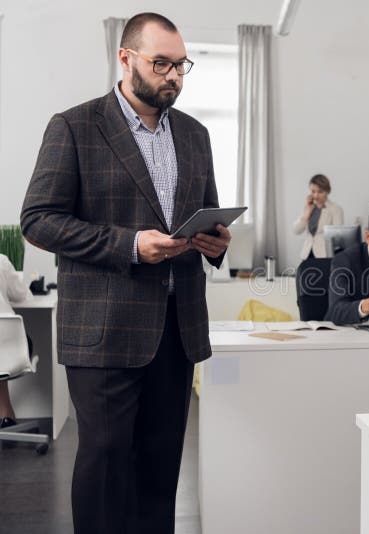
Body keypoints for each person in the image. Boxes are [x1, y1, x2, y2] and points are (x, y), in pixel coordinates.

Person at [20, 13, 230, 533]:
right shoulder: (73, 126)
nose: (173, 76)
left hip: (176, 330)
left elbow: (207, 212)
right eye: (161, 63)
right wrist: (131, 245)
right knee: (106, 463)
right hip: (103, 331)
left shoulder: (196, 135)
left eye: (182, 65)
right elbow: (38, 221)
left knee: (161, 470)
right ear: (126, 58)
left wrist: (216, 241)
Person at [0, 253, 33, 429]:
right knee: (2, 355)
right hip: (8, 352)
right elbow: (22, 295)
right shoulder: (1, 261)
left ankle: (6, 416)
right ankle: (6, 416)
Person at [292, 174, 344, 260]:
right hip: (307, 253)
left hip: (324, 254)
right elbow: (296, 230)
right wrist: (308, 211)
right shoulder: (308, 207)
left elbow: (337, 237)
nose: (316, 195)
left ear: (327, 191)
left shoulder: (335, 209)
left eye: (320, 192)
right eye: (313, 191)